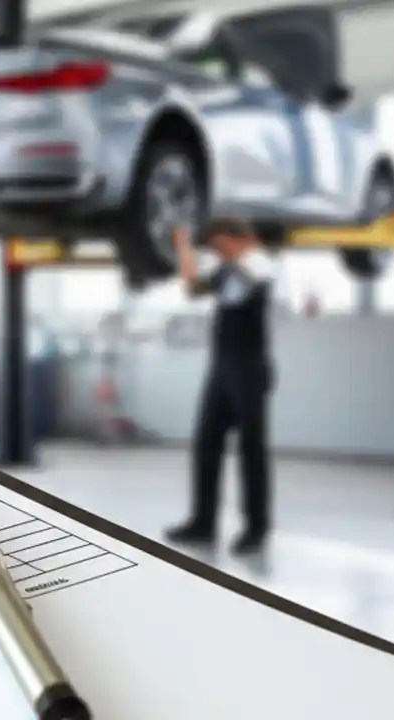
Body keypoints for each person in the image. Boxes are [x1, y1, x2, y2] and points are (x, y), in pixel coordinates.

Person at [165, 218, 276, 555]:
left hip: (249, 368)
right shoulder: (230, 268)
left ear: (237, 239)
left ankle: (256, 529)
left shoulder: (260, 263)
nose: (218, 253)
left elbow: (239, 287)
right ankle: (203, 523)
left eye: (220, 246)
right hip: (222, 368)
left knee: (251, 450)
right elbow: (192, 288)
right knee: (207, 444)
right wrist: (184, 246)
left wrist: (226, 258)